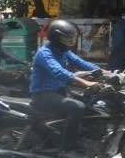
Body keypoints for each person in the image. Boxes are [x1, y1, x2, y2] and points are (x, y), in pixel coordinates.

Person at [30, 19, 101, 158]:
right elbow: (59, 72)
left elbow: (82, 62)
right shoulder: (45, 53)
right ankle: (67, 149)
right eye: (66, 38)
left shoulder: (63, 51)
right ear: (56, 37)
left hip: (58, 91)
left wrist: (106, 72)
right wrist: (86, 83)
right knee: (77, 107)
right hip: (43, 95)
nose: (70, 41)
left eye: (71, 38)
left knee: (90, 103)